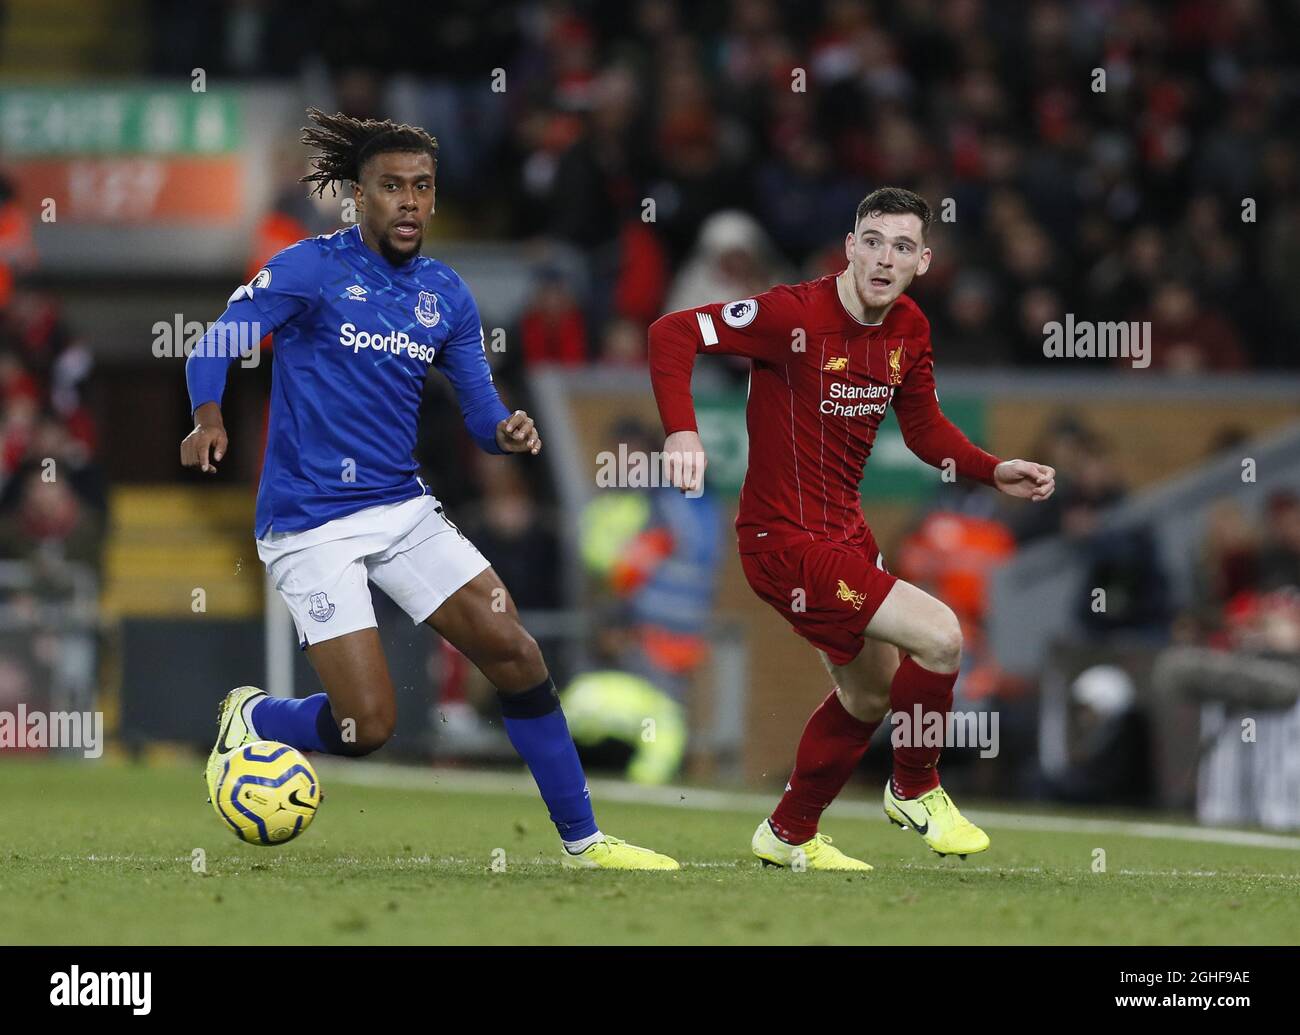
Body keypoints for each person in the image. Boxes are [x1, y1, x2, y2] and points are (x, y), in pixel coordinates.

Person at [181, 108, 676, 870]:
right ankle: (257, 714)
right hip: (310, 521)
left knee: (515, 651)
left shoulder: (446, 296)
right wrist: (209, 415)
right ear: (359, 196)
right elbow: (215, 341)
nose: (409, 201)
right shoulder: (309, 268)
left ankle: (585, 839)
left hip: (399, 508)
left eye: (422, 187)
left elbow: (481, 414)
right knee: (368, 726)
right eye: (391, 187)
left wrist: (506, 429)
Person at [647, 187, 1056, 870]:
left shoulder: (910, 329)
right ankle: (916, 786)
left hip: (844, 536)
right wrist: (683, 430)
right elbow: (672, 332)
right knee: (942, 635)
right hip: (784, 540)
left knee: (869, 693)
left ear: (922, 260)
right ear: (850, 246)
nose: (883, 258)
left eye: (901, 246)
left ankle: (788, 832)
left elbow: (923, 429)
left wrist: (992, 470)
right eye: (872, 240)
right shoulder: (791, 313)